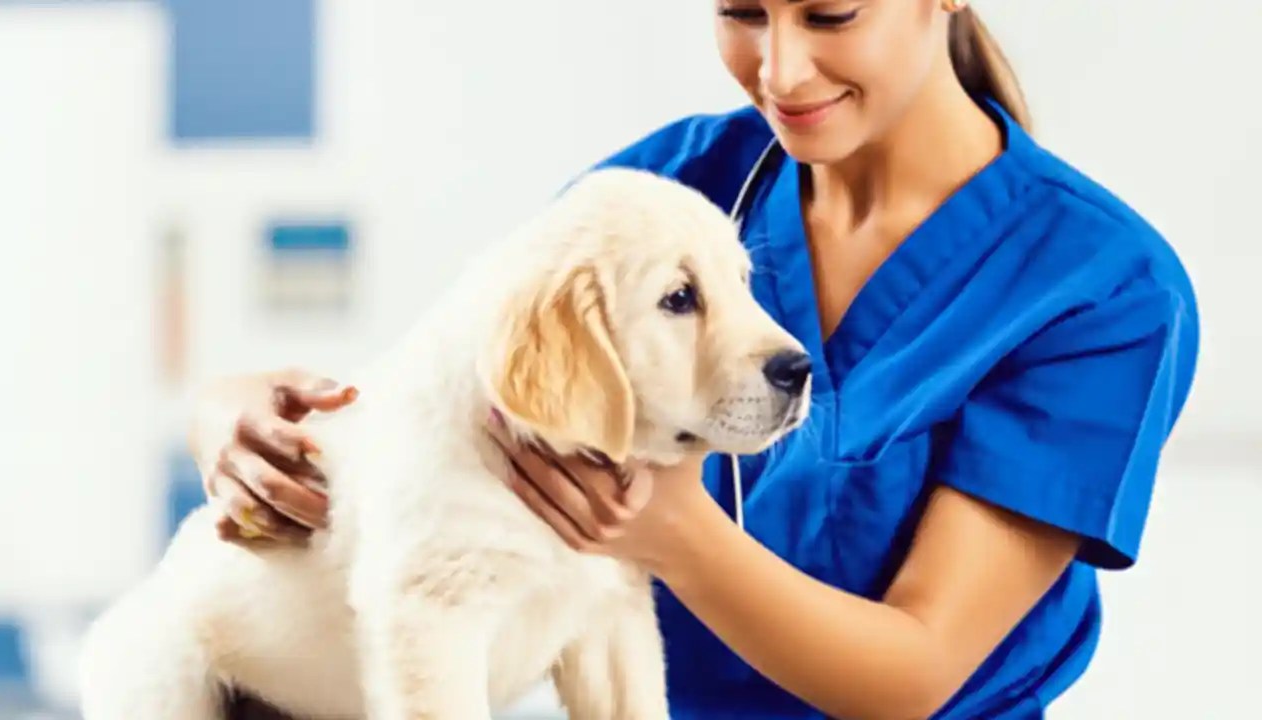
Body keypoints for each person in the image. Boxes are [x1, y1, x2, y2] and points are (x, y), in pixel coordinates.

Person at [193, 1, 1199, 718]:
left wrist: (675, 534)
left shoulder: (1093, 286)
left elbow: (911, 677)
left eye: (828, 15)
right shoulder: (672, 182)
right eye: (740, 13)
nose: (779, 71)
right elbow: (453, 397)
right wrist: (238, 412)